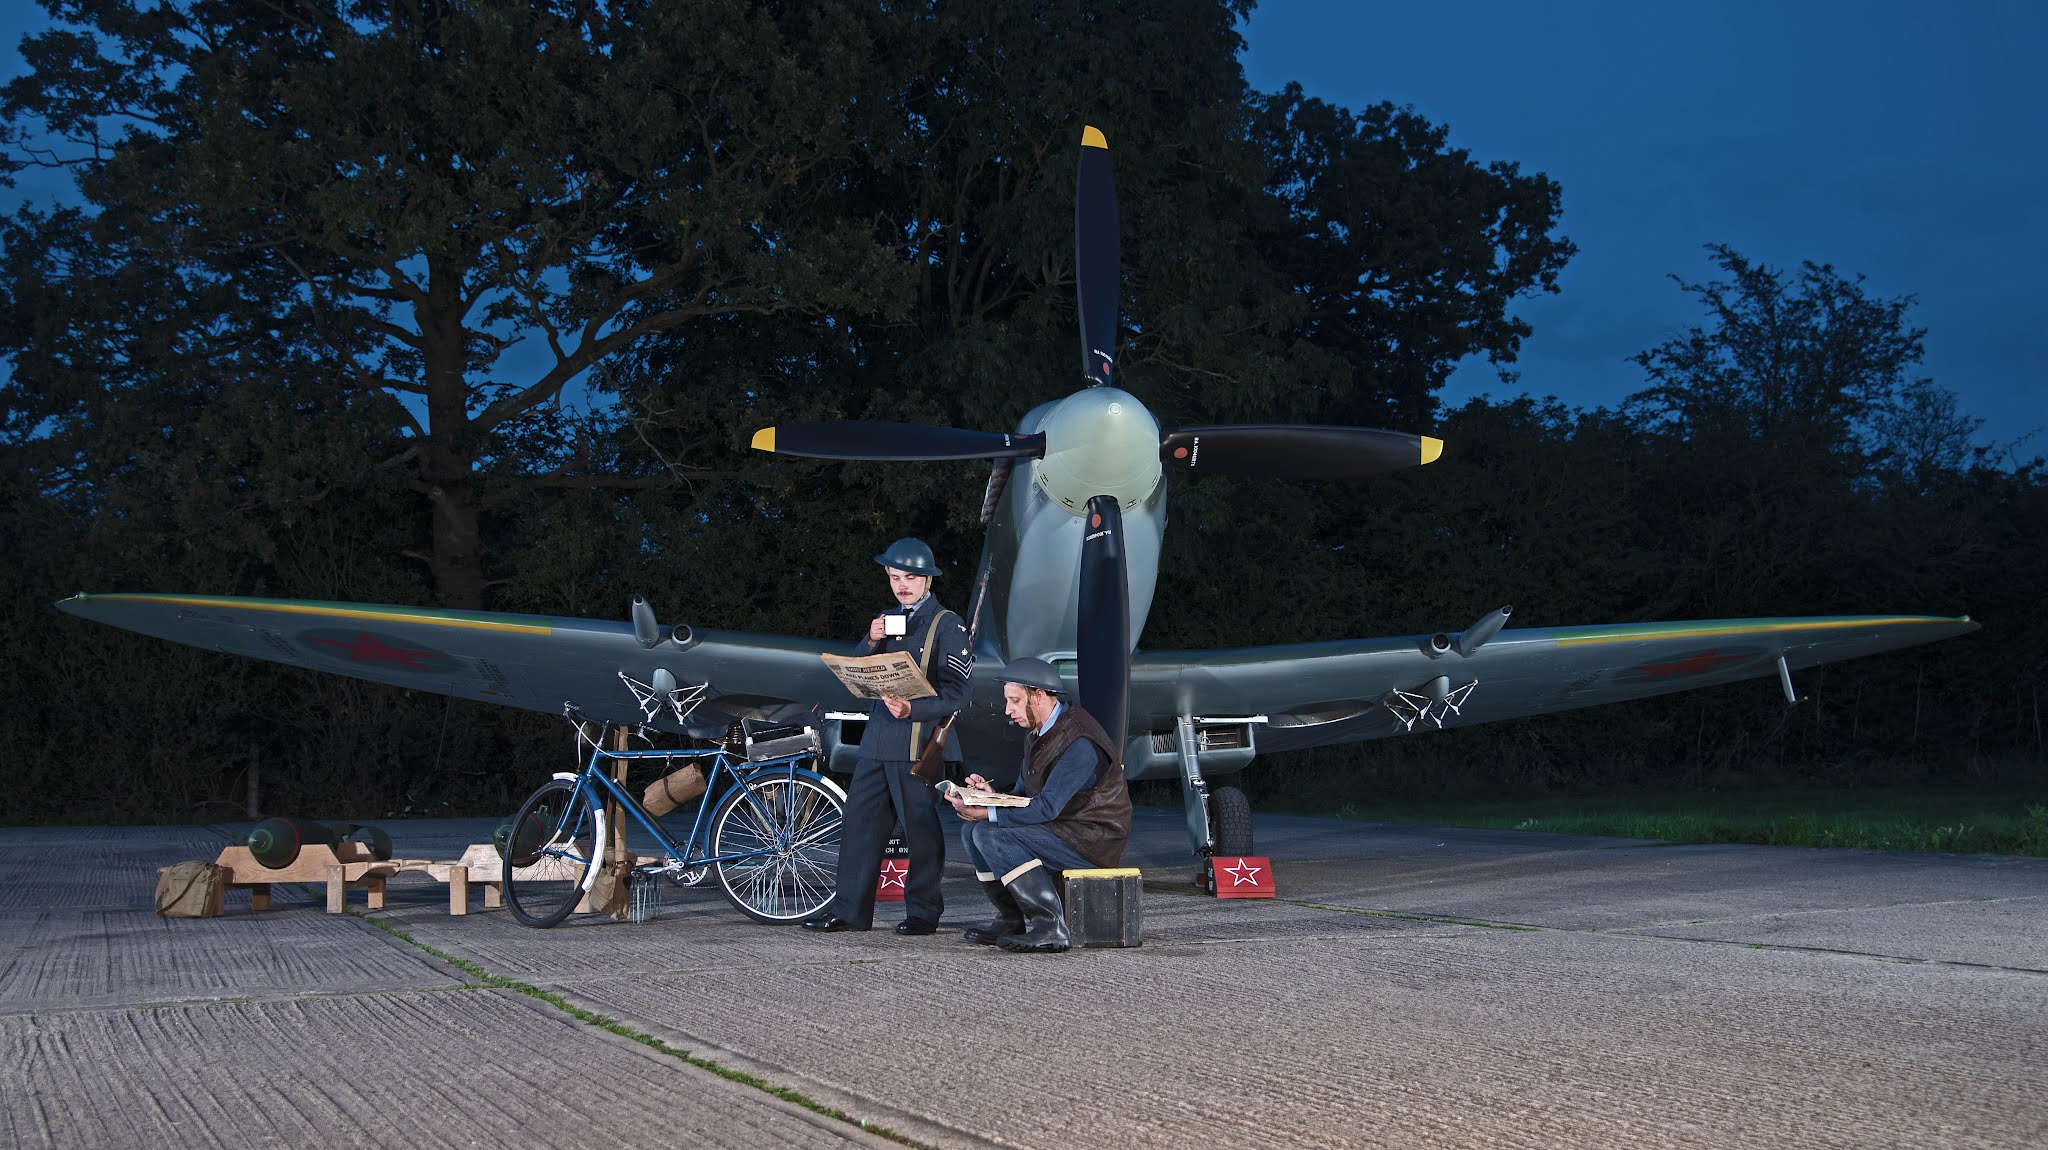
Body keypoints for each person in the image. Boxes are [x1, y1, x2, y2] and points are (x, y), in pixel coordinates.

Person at [802, 537, 971, 935]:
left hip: (917, 743)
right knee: (859, 828)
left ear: (928, 579)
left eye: (911, 577)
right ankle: (850, 912)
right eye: (895, 577)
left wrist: (914, 707)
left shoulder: (948, 624)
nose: (902, 585)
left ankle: (923, 913)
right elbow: (857, 672)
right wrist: (872, 640)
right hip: (877, 740)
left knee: (920, 832)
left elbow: (959, 694)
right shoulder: (886, 619)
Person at [945, 656, 1130, 953]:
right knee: (973, 831)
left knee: (986, 831)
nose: (1008, 710)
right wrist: (988, 796)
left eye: (1015, 701)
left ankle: (1050, 927)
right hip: (1064, 828)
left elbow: (1046, 808)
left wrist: (989, 813)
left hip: (1091, 839)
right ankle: (1009, 919)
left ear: (1039, 695)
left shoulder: (1079, 741)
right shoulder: (1039, 734)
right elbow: (1023, 795)